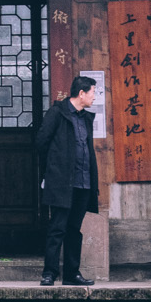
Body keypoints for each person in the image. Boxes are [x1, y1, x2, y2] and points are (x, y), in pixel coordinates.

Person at [35, 74, 100, 286]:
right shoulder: (57, 113)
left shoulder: (86, 118)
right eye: (93, 93)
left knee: (74, 230)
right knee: (57, 228)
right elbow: (41, 143)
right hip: (62, 183)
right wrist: (53, 171)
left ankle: (72, 274)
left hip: (83, 183)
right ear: (81, 93)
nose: (95, 97)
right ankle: (49, 273)